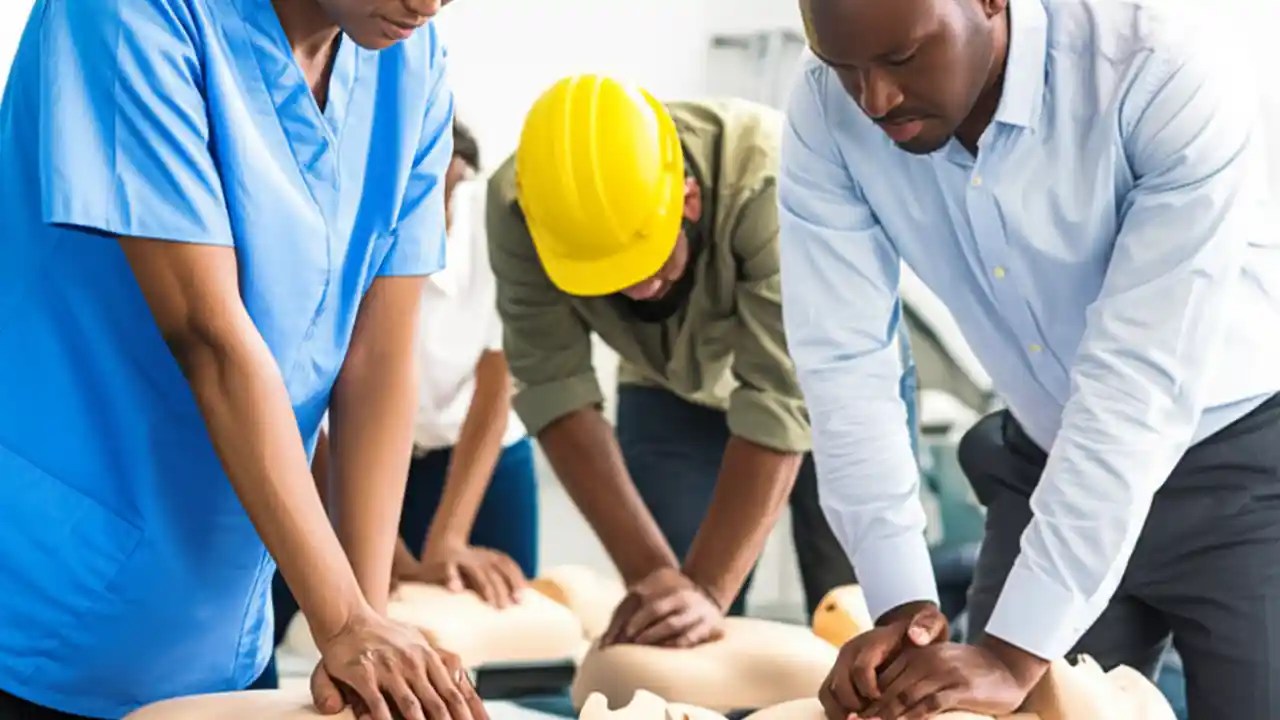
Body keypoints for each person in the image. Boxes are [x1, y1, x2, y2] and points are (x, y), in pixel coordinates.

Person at [778, 0, 1280, 718]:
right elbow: (844, 361)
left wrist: (1015, 653)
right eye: (845, 66)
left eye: (900, 59)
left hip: (1249, 476)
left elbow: (1137, 382)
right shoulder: (828, 108)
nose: (875, 99)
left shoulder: (1161, 67)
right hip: (1045, 457)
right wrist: (905, 614)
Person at [0, 0, 489, 718]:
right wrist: (343, 618)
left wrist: (363, 620)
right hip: (47, 604)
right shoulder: (125, 12)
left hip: (227, 621)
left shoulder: (410, 63)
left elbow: (378, 358)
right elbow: (209, 335)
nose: (430, 2)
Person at [486, 74, 920, 650]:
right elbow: (553, 385)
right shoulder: (525, 206)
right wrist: (655, 578)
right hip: (670, 387)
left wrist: (710, 588)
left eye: (649, 264)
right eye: (608, 280)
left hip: (831, 382)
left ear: (688, 199)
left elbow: (778, 398)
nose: (638, 293)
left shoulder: (774, 177)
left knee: (854, 613)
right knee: (676, 630)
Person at [255, 119, 537, 689]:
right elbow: (303, 411)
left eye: (453, 189)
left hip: (478, 450)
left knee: (500, 632)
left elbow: (494, 387)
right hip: (355, 454)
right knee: (312, 612)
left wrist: (448, 540)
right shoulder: (331, 241)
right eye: (431, 191)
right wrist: (396, 560)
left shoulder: (496, 233)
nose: (445, 209)